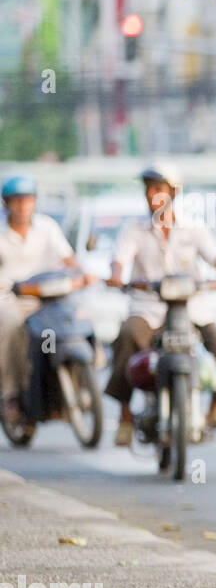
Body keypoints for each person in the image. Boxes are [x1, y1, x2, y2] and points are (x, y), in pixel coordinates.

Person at [105, 164, 216, 445]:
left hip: (191, 308)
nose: (152, 194)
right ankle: (126, 416)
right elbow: (120, 259)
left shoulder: (193, 226)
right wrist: (117, 275)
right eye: (148, 188)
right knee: (127, 339)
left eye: (158, 188)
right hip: (148, 308)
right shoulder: (134, 229)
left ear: (173, 192)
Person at [0, 175, 86, 426]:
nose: (23, 206)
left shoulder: (47, 227)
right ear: (7, 203)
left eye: (27, 200)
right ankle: (11, 393)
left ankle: (80, 380)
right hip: (11, 300)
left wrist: (82, 275)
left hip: (47, 299)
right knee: (12, 326)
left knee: (78, 317)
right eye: (17, 201)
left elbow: (69, 260)